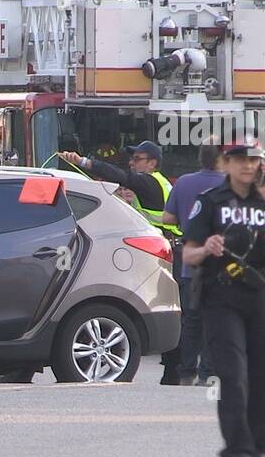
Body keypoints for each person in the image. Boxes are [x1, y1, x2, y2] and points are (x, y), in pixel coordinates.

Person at [59, 141, 184, 384]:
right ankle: (174, 371)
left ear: (152, 163)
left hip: (162, 252)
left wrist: (82, 162)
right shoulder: (155, 183)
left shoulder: (150, 182)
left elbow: (120, 176)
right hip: (161, 250)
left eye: (138, 159)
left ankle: (175, 371)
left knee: (167, 310)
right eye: (133, 158)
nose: (132, 163)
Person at [182, 143, 265, 457]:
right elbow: (188, 255)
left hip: (259, 296)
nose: (248, 166)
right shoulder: (211, 201)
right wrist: (207, 248)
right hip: (222, 297)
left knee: (260, 378)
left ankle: (257, 452)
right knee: (233, 376)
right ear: (227, 163)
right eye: (241, 160)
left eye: (254, 160)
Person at [164, 139, 224, 386]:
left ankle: (186, 371)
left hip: (191, 265)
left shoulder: (185, 182)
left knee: (191, 320)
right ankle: (207, 372)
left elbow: (167, 217)